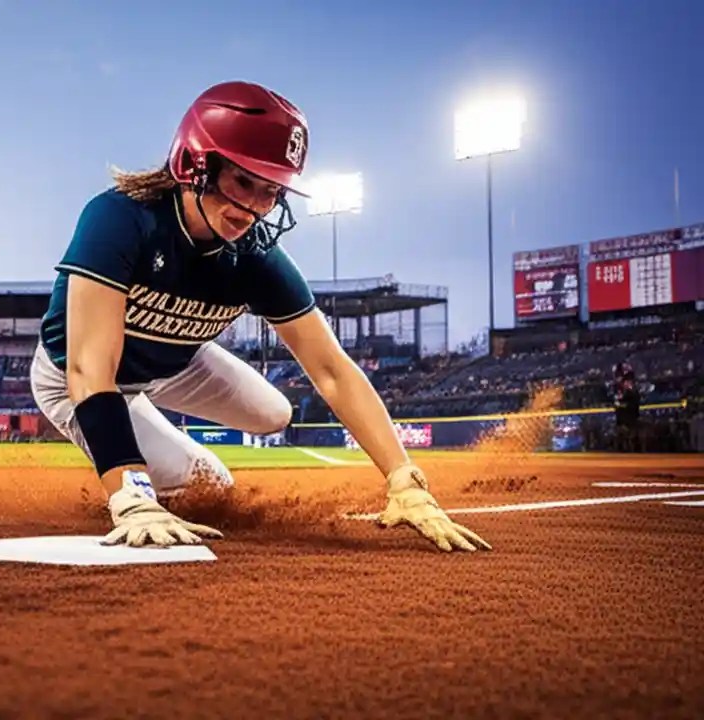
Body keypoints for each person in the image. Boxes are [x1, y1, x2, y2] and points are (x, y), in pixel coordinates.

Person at [30, 80, 491, 553]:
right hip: (74, 375)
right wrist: (132, 495)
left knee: (275, 413)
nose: (254, 207)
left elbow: (332, 370)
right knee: (208, 485)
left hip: (174, 361)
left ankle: (141, 442)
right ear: (194, 165)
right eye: (243, 181)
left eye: (271, 190)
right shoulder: (120, 219)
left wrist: (405, 479)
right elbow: (89, 368)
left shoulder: (255, 259)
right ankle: (124, 469)